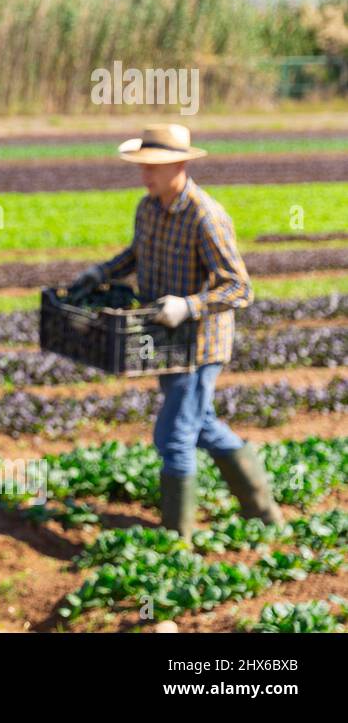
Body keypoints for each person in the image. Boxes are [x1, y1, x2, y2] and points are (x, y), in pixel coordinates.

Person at [72, 123, 281, 537]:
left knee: (174, 436)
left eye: (155, 167)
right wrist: (100, 273)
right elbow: (137, 253)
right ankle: (263, 513)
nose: (146, 175)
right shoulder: (147, 207)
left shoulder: (206, 216)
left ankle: (176, 539)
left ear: (181, 165)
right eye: (143, 167)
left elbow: (239, 288)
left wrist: (189, 306)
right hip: (164, 341)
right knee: (201, 424)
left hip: (200, 344)